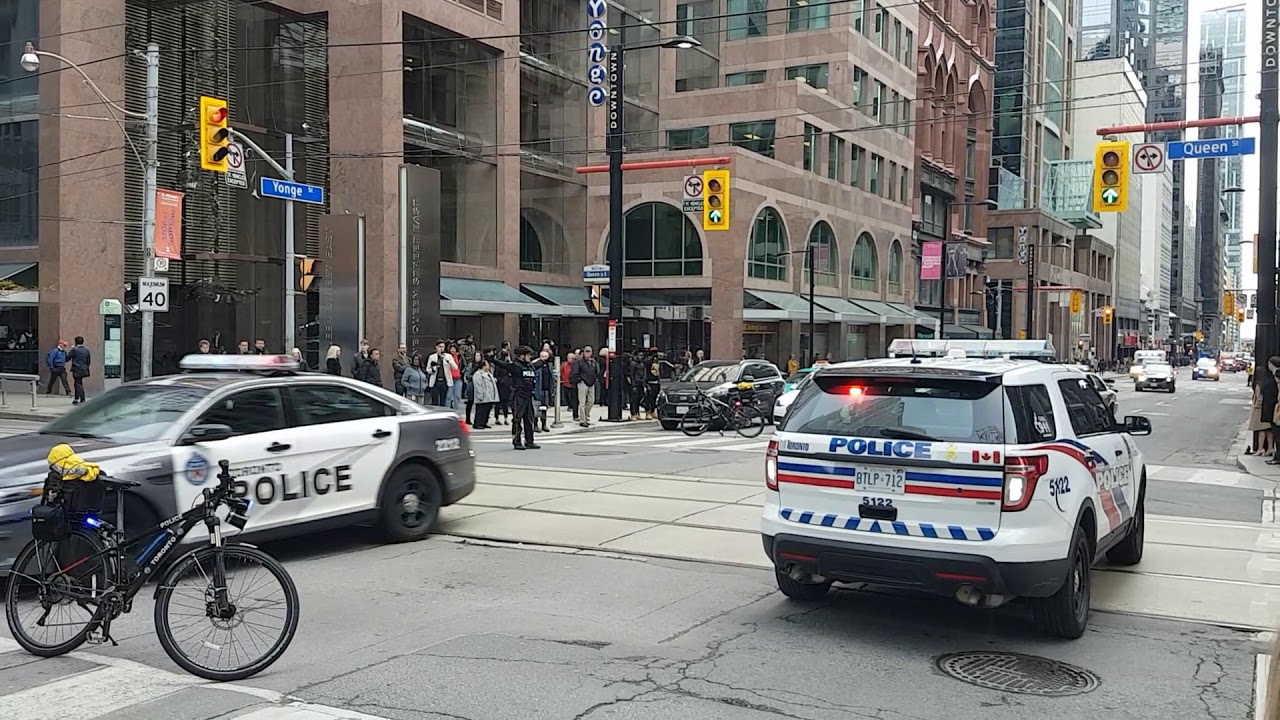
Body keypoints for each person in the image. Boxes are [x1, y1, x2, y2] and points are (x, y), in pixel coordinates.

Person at [490, 345, 541, 450]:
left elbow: (538, 365)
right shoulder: (516, 366)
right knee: (517, 419)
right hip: (518, 396)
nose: (529, 357)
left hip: (528, 395)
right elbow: (503, 365)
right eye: (528, 355)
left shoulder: (530, 366)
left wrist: (544, 360)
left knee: (529, 419)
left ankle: (529, 441)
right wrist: (492, 360)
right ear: (521, 356)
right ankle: (517, 441)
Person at [570, 346, 600, 428]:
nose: (587, 353)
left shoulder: (593, 362)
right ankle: (582, 420)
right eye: (586, 351)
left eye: (589, 351)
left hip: (591, 382)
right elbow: (574, 373)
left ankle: (586, 416)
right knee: (582, 402)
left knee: (591, 401)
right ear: (583, 352)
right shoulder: (579, 362)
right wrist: (580, 379)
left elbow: (597, 371)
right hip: (582, 382)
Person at [425, 341, 458, 407]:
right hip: (435, 381)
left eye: (443, 347)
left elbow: (455, 367)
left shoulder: (448, 356)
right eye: (440, 347)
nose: (441, 348)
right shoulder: (432, 357)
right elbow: (427, 370)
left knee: (443, 400)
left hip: (444, 381)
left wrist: (448, 360)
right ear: (436, 347)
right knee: (435, 401)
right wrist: (433, 369)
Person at [1249, 372, 1272, 456]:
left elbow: (1258, 399)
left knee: (1260, 430)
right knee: (1268, 430)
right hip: (1267, 409)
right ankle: (1270, 448)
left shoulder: (1259, 386)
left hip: (1259, 410)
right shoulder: (1268, 383)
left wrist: (1256, 407)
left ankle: (1260, 448)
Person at [471, 359, 498, 429]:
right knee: (481, 410)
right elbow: (478, 385)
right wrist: (480, 395)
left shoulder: (489, 373)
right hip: (483, 395)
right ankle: (478, 423)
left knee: (487, 410)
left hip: (490, 396)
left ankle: (484, 422)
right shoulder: (478, 374)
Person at [1265, 356, 1280, 465]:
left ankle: (1278, 457)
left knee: (1277, 434)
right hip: (1276, 407)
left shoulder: (1277, 375)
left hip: (1277, 408)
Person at [69, 336, 91, 404]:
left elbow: (67, 358)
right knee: (78, 383)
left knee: (78, 384)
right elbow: (88, 361)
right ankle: (76, 398)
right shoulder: (86, 350)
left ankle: (82, 398)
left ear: (75, 342)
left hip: (77, 369)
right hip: (84, 369)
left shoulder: (75, 350)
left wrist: (72, 349)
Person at [463, 350, 483, 425]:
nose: (478, 357)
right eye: (476, 355)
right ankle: (468, 418)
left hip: (480, 385)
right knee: (470, 402)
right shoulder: (471, 365)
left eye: (479, 356)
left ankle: (477, 419)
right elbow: (468, 375)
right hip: (472, 385)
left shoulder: (483, 365)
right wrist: (476, 375)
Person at [644, 351, 662, 420]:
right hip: (650, 382)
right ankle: (648, 412)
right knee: (649, 398)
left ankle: (652, 411)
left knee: (654, 398)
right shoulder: (647, 362)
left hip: (656, 382)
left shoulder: (657, 363)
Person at [628, 352, 646, 421]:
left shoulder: (642, 364)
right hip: (635, 384)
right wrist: (633, 385)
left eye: (642, 355)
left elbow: (644, 373)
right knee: (634, 400)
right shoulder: (633, 363)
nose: (641, 357)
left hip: (640, 383)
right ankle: (633, 414)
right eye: (640, 355)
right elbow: (631, 375)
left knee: (639, 399)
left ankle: (637, 413)